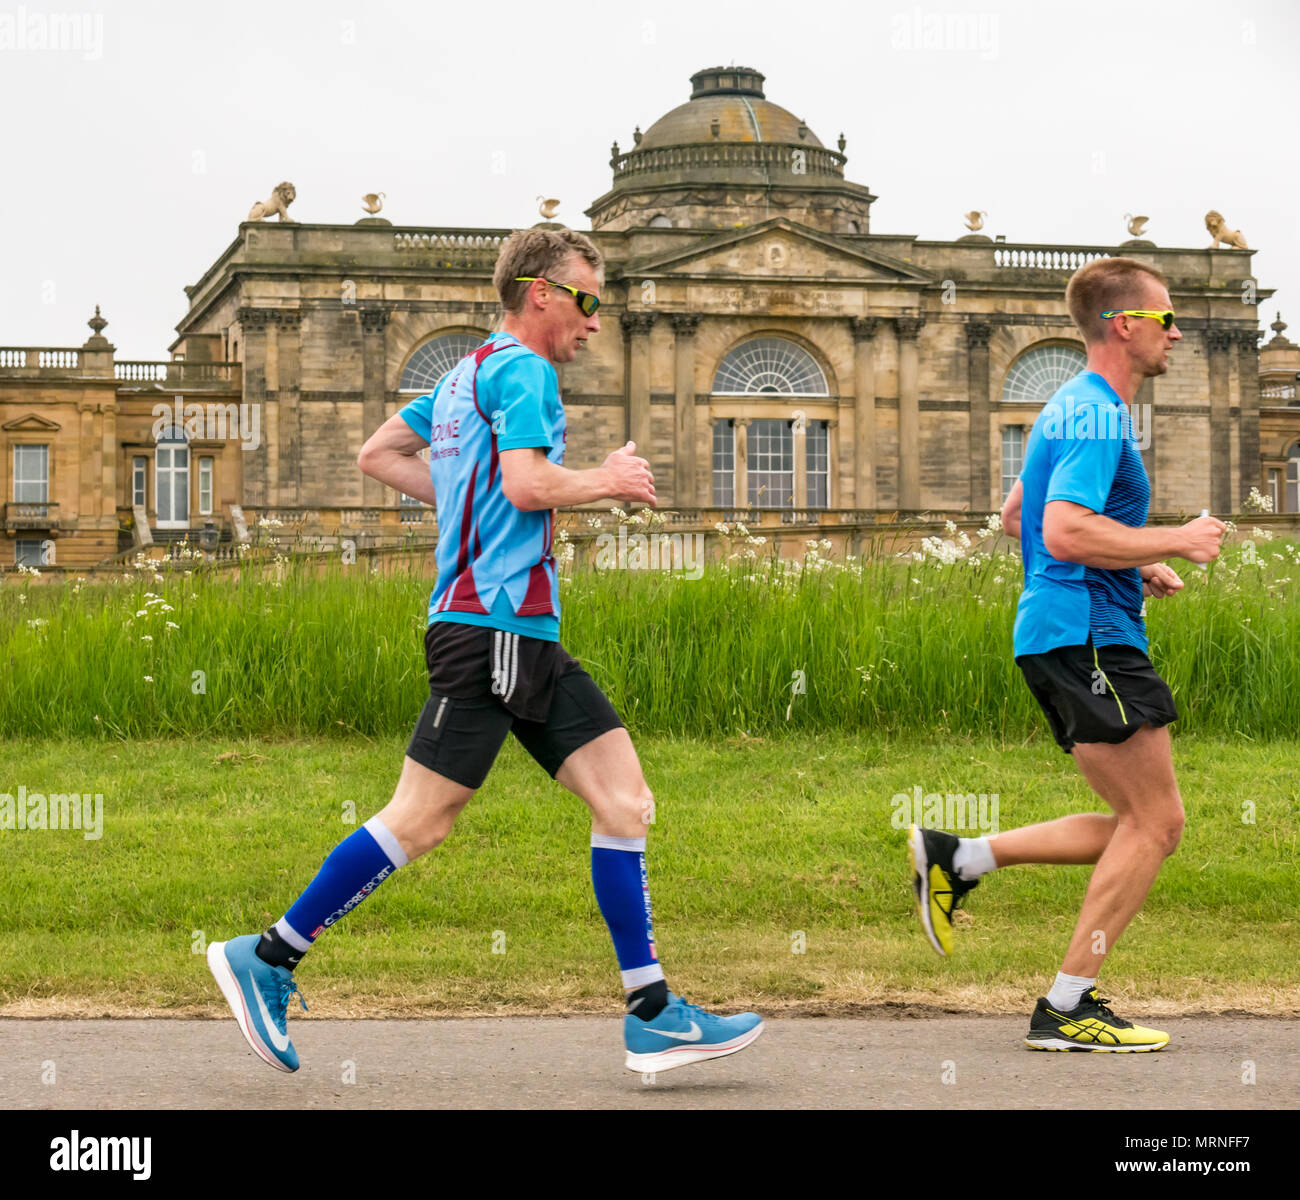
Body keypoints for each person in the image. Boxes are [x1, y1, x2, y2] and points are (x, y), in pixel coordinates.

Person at [206, 226, 762, 1074]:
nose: (594, 322)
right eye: (586, 301)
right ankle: (269, 957)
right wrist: (608, 481)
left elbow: (377, 453)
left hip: (521, 635)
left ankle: (653, 1012)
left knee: (625, 800)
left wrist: (464, 495)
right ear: (540, 291)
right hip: (491, 628)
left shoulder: (462, 376)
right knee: (422, 818)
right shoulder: (526, 372)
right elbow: (529, 484)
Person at [908, 256, 1225, 1051]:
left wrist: (1133, 557)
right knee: (1155, 823)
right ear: (1124, 325)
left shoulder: (1073, 408)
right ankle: (1066, 1006)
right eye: (1165, 318)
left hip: (1064, 632)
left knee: (1143, 820)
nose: (1176, 332)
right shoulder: (1097, 414)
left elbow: (1018, 511)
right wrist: (1177, 540)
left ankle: (962, 855)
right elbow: (1060, 530)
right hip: (1090, 637)